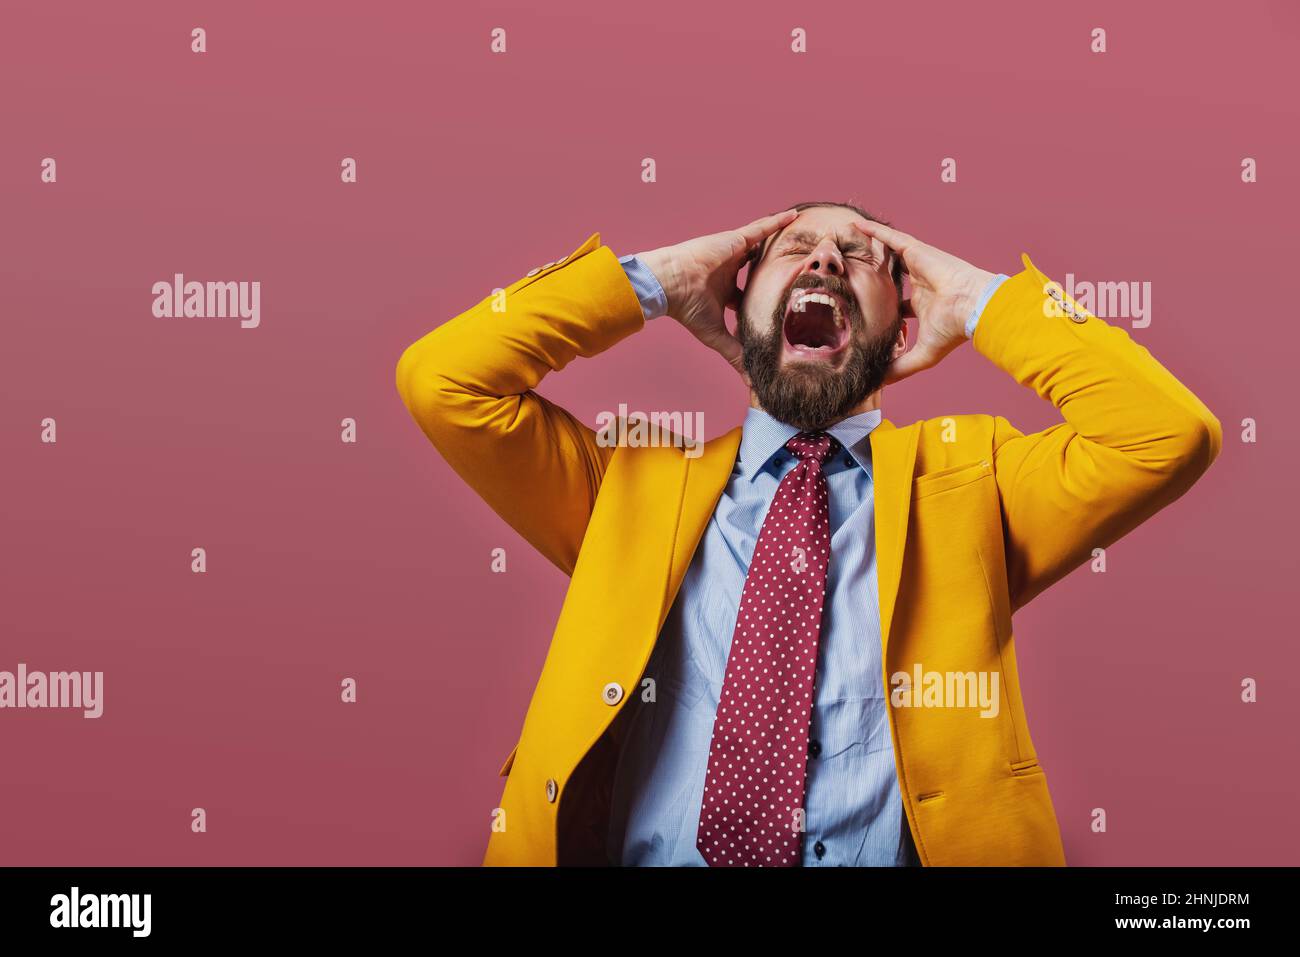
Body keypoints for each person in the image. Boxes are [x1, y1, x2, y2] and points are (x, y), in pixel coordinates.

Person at [395, 203, 1220, 866]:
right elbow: (445, 382)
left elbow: (1165, 434)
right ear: (735, 308)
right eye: (793, 247)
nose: (823, 261)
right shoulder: (627, 480)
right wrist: (654, 280)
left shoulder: (974, 482)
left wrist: (978, 300)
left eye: (859, 255)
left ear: (904, 327)